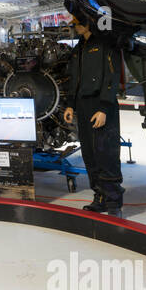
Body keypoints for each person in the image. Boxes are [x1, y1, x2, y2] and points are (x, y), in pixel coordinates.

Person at [62, 12, 125, 216]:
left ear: (89, 22)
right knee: (89, 154)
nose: (75, 26)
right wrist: (70, 105)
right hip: (83, 106)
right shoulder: (78, 49)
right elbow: (74, 79)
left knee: (106, 153)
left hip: (101, 104)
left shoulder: (106, 43)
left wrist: (104, 108)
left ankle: (114, 202)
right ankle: (100, 197)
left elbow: (112, 77)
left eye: (78, 22)